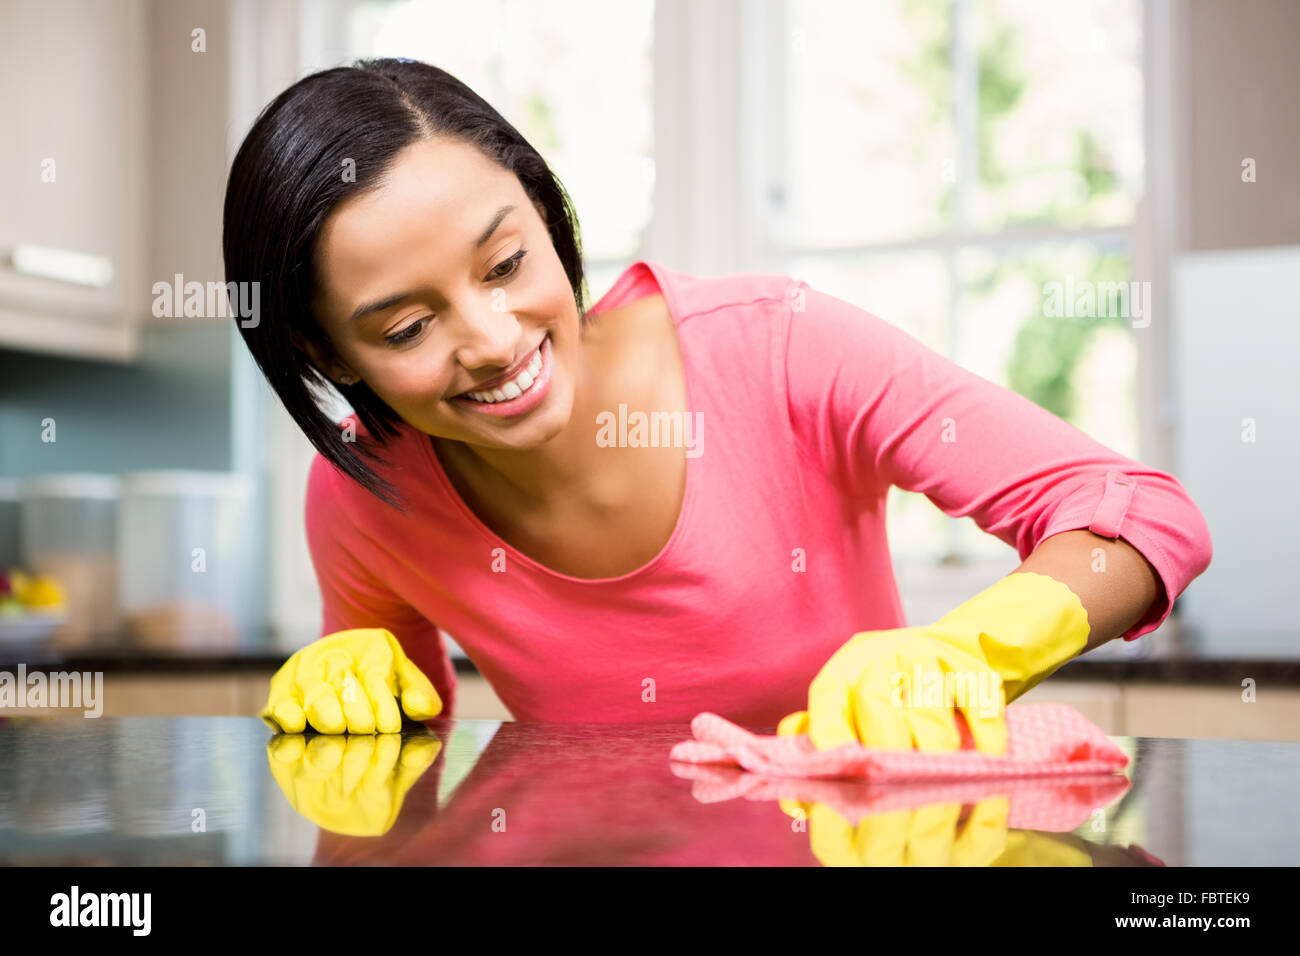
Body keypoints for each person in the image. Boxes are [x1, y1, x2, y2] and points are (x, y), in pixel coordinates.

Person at [225, 58, 1212, 754]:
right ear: (324, 352)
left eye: (507, 262)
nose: (490, 338)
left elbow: (1138, 510)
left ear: (541, 201)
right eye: (405, 328)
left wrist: (968, 648)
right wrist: (339, 680)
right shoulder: (362, 492)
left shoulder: (777, 351)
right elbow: (396, 753)